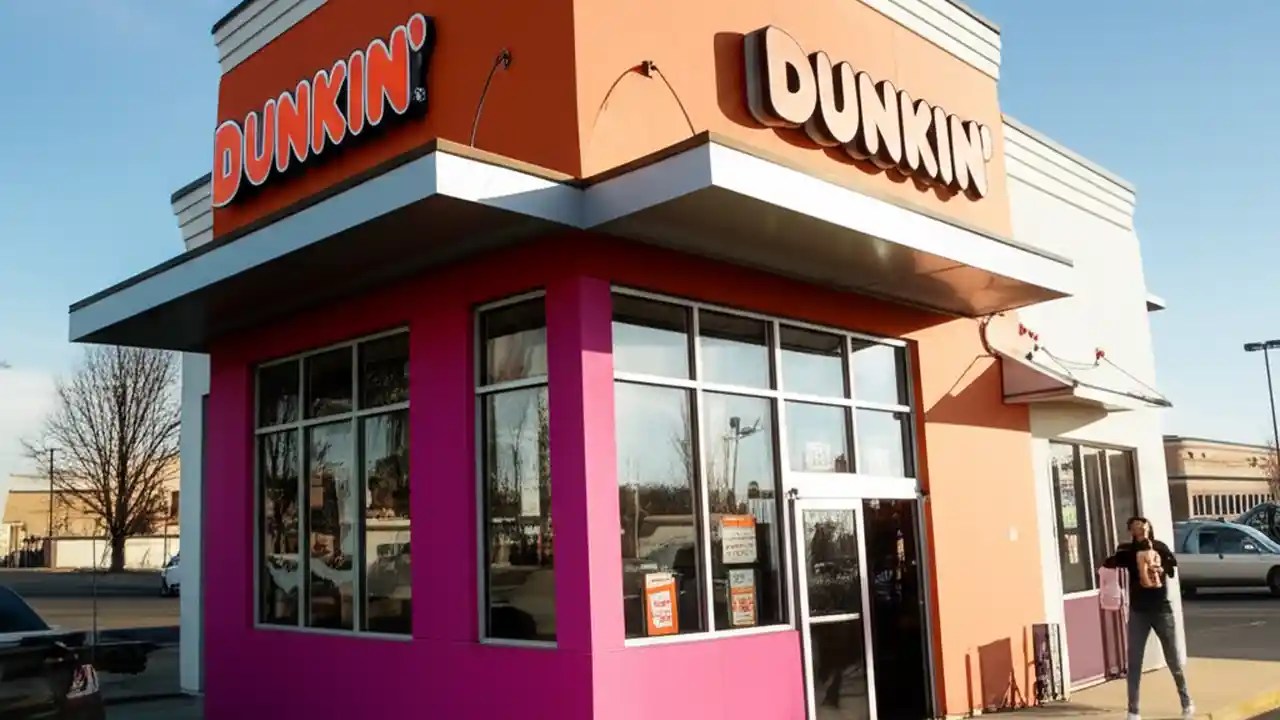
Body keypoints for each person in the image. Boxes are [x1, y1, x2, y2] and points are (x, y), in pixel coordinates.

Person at [1103, 516, 1193, 720]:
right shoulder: (1127, 550)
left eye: (1143, 525)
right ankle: (1133, 710)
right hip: (1138, 611)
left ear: (1149, 528)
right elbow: (1111, 562)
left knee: (1173, 659)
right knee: (1134, 662)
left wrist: (1163, 567)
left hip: (1161, 609)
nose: (1141, 528)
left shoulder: (1160, 547)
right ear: (1131, 531)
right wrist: (1111, 562)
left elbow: (1171, 569)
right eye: (1135, 526)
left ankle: (1186, 701)